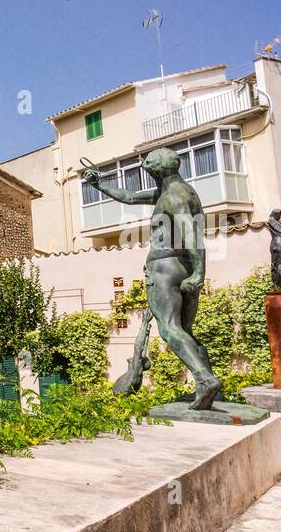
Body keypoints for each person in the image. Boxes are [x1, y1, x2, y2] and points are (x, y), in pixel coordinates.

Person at [84, 148, 221, 410]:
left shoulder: (173, 197)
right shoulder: (178, 191)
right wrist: (99, 184)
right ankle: (210, 389)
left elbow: (191, 234)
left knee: (169, 328)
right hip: (182, 266)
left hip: (164, 266)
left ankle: (205, 379)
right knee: (185, 331)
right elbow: (130, 197)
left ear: (155, 172)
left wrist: (199, 273)